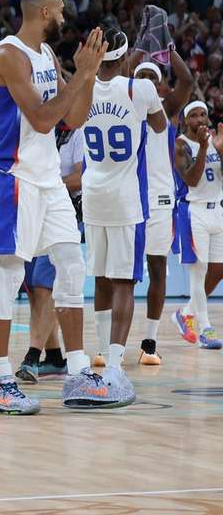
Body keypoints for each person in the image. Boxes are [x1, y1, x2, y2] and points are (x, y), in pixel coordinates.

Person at [0, 0, 112, 415]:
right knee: (10, 271)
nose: (64, 17)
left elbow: (72, 118)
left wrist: (88, 75)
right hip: (13, 177)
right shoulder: (8, 55)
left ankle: (77, 372)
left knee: (72, 264)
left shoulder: (48, 56)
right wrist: (80, 77)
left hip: (49, 178)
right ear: (42, 12)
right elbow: (41, 120)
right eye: (59, 11)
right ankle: (1, 380)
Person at [80, 29, 165, 402]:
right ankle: (114, 368)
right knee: (124, 283)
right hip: (126, 198)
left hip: (92, 194)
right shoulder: (139, 89)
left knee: (100, 277)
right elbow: (160, 125)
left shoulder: (81, 87)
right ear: (126, 56)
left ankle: (99, 354)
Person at [131, 53, 192, 363]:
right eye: (141, 77)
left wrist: (168, 47)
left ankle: (150, 342)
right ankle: (107, 345)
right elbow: (118, 75)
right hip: (128, 199)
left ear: (162, 87)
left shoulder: (166, 111)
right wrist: (139, 53)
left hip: (160, 201)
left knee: (156, 270)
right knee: (120, 275)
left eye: (153, 79)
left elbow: (189, 81)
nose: (147, 83)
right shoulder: (125, 106)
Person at [15, 126, 82, 383]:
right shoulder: (40, 129)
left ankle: (32, 356)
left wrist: (45, 185)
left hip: (59, 213)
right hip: (33, 214)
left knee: (47, 288)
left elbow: (80, 176)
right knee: (33, 290)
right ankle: (54, 357)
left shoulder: (77, 134)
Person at [171, 101, 223, 350]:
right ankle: (205, 329)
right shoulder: (180, 144)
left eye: (203, 114)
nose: (201, 119)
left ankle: (186, 312)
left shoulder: (215, 140)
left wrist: (221, 151)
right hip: (194, 212)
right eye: (194, 115)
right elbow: (191, 179)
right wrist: (204, 148)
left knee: (219, 268)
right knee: (199, 271)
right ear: (185, 120)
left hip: (217, 209)